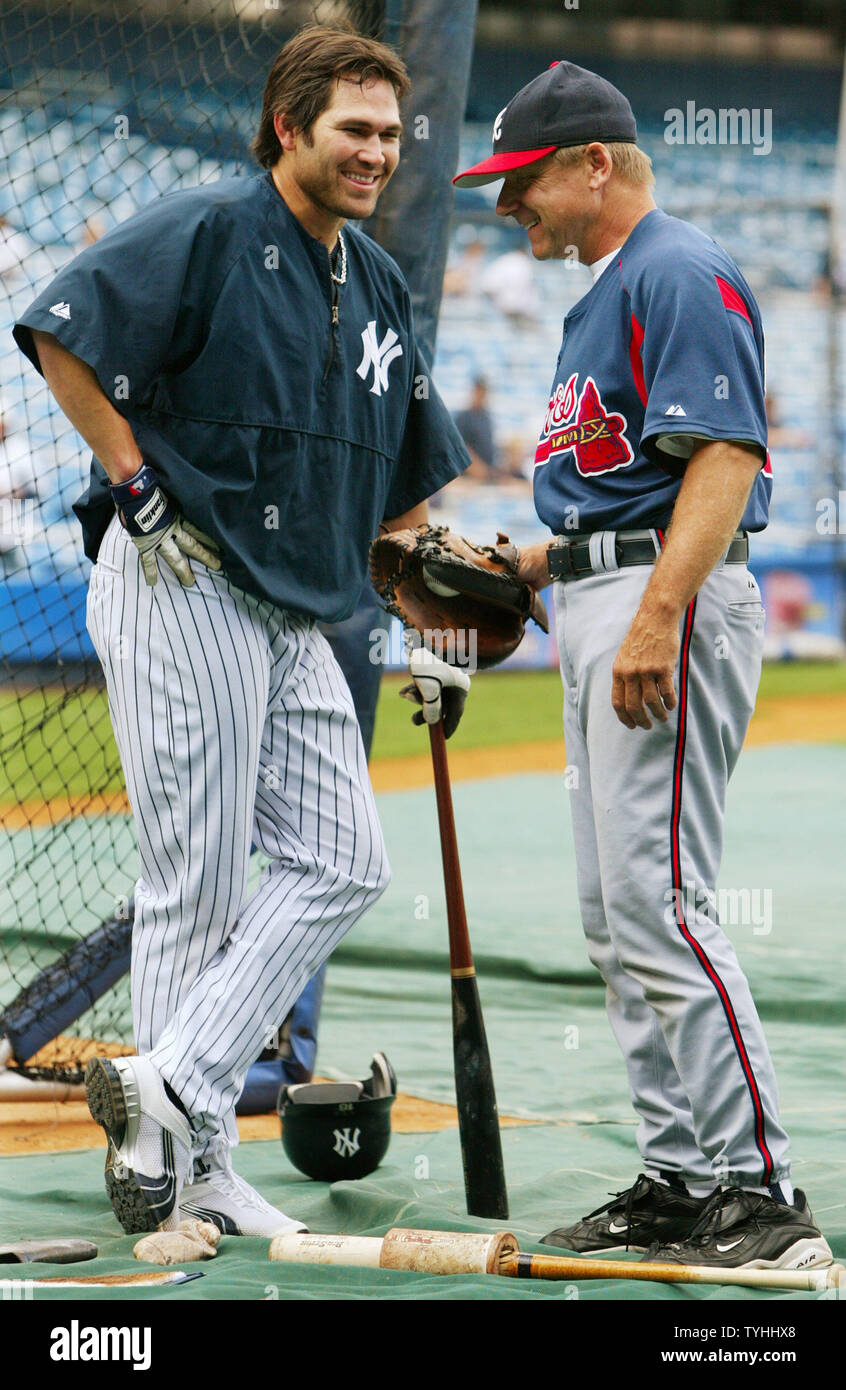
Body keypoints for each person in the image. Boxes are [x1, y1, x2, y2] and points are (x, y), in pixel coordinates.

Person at [14, 22, 469, 1238]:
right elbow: (60, 325)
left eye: (389, 132)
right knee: (200, 883)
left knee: (343, 857)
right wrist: (130, 476)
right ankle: (177, 1175)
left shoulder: (372, 278)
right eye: (354, 131)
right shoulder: (212, 226)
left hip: (299, 607)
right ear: (289, 128)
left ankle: (175, 1090)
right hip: (186, 575)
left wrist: (431, 624)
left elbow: (409, 484)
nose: (378, 152)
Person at [454, 60, 833, 1271]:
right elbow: (624, 484)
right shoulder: (606, 290)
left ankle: (762, 1190)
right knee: (618, 916)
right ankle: (681, 1175)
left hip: (659, 598)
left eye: (522, 187)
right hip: (606, 585)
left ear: (592, 164)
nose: (511, 213)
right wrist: (536, 563)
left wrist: (656, 615)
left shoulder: (674, 265)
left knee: (662, 901)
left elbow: (720, 458)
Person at [453, 376, 497, 479]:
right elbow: (459, 447)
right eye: (479, 391)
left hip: (486, 474)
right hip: (468, 476)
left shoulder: (486, 417)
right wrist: (476, 468)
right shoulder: (464, 417)